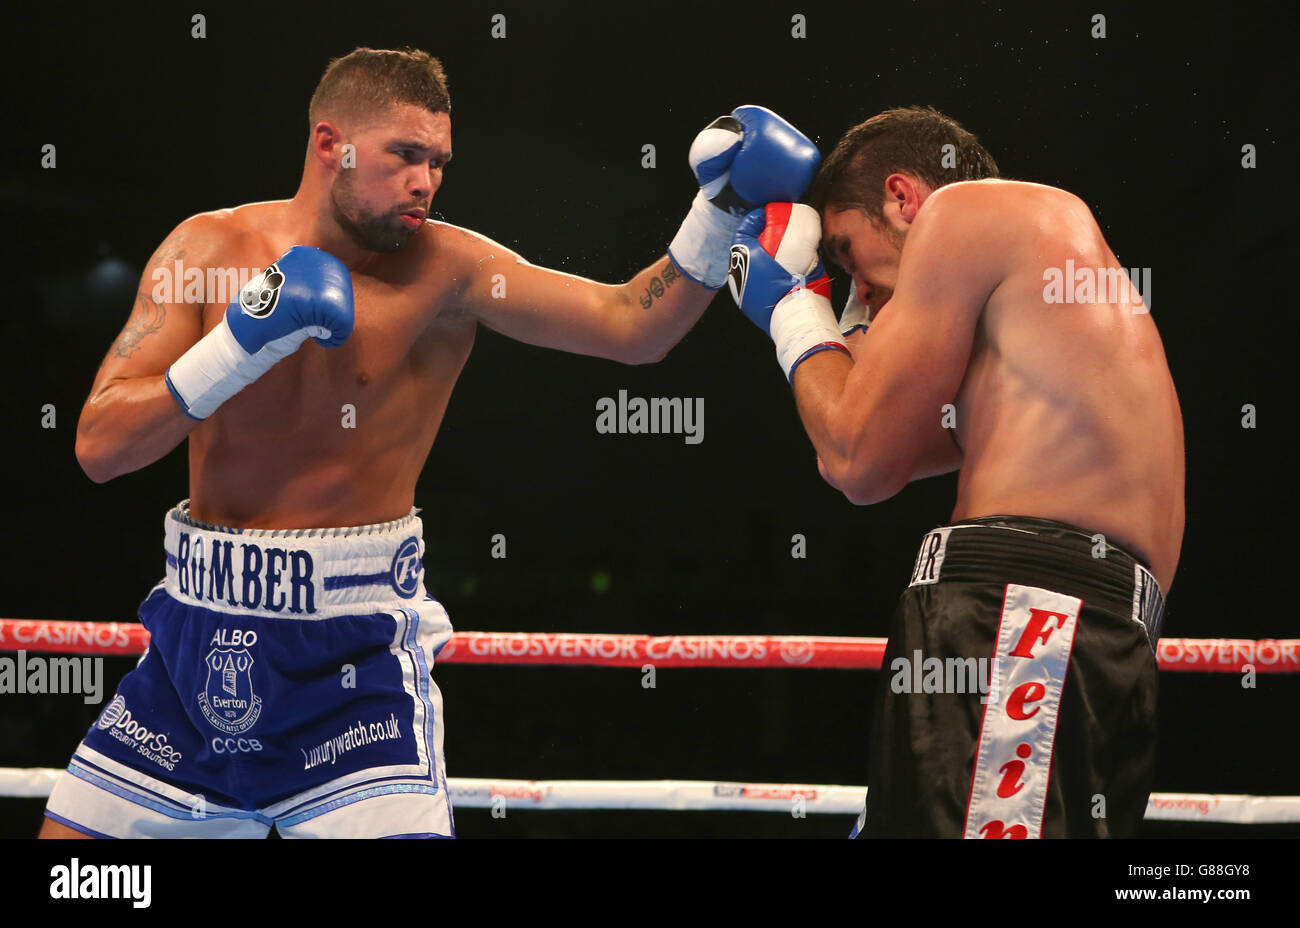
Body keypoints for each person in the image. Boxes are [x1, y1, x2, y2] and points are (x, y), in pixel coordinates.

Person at [41, 46, 819, 838]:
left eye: (439, 162)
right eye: (404, 156)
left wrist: (717, 209)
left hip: (354, 677)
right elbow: (100, 446)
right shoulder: (206, 251)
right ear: (328, 144)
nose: (426, 182)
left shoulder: (450, 270)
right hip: (189, 654)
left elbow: (632, 327)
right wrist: (235, 346)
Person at [727, 106, 1183, 837]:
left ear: (905, 198)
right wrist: (845, 313)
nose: (860, 289)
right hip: (1095, 637)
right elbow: (858, 455)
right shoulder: (1031, 331)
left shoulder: (964, 211)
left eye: (848, 254)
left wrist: (791, 312)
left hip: (1021, 619)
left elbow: (855, 458)